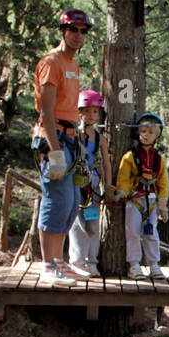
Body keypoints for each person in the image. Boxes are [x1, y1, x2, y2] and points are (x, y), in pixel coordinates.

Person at [32, 8, 92, 287]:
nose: (79, 35)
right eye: (73, 30)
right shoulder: (51, 62)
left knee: (71, 204)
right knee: (56, 199)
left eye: (83, 31)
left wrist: (76, 141)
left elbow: (70, 108)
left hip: (70, 137)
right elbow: (46, 110)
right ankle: (48, 264)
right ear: (63, 31)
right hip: (52, 135)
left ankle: (59, 262)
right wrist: (54, 150)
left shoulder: (74, 65)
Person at [115, 112, 169, 279]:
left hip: (151, 200)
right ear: (137, 132)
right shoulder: (130, 157)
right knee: (132, 232)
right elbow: (123, 177)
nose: (146, 135)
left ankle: (153, 264)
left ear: (156, 136)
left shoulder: (158, 159)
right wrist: (121, 192)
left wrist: (162, 204)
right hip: (134, 199)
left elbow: (163, 181)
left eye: (151, 132)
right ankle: (134, 264)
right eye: (143, 131)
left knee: (151, 232)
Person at [66, 89, 112, 278]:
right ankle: (77, 261)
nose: (91, 116)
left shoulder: (100, 138)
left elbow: (107, 163)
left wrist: (108, 185)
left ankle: (92, 262)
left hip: (92, 183)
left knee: (93, 223)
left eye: (95, 112)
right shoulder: (73, 134)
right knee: (77, 223)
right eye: (87, 111)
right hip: (75, 181)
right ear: (79, 112)